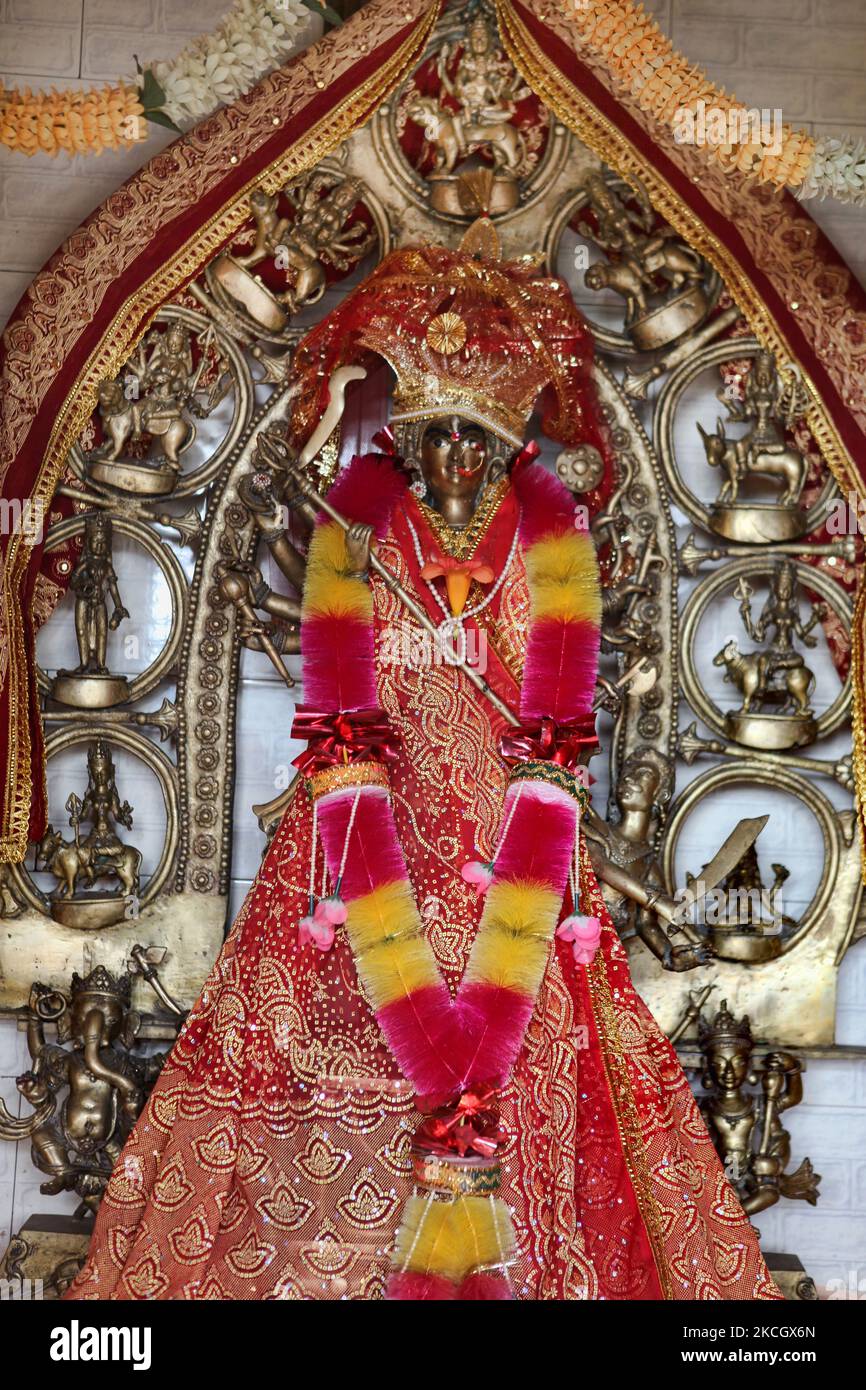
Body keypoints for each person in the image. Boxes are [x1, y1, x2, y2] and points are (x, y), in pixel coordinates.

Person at [67, 223, 780, 1301]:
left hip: (516, 866)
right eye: (437, 437)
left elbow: (560, 719)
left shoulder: (553, 556)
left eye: (476, 444)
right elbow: (341, 704)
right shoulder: (360, 541)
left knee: (542, 1089)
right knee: (328, 1101)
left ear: (508, 451)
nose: (455, 462)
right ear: (408, 437)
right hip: (365, 850)